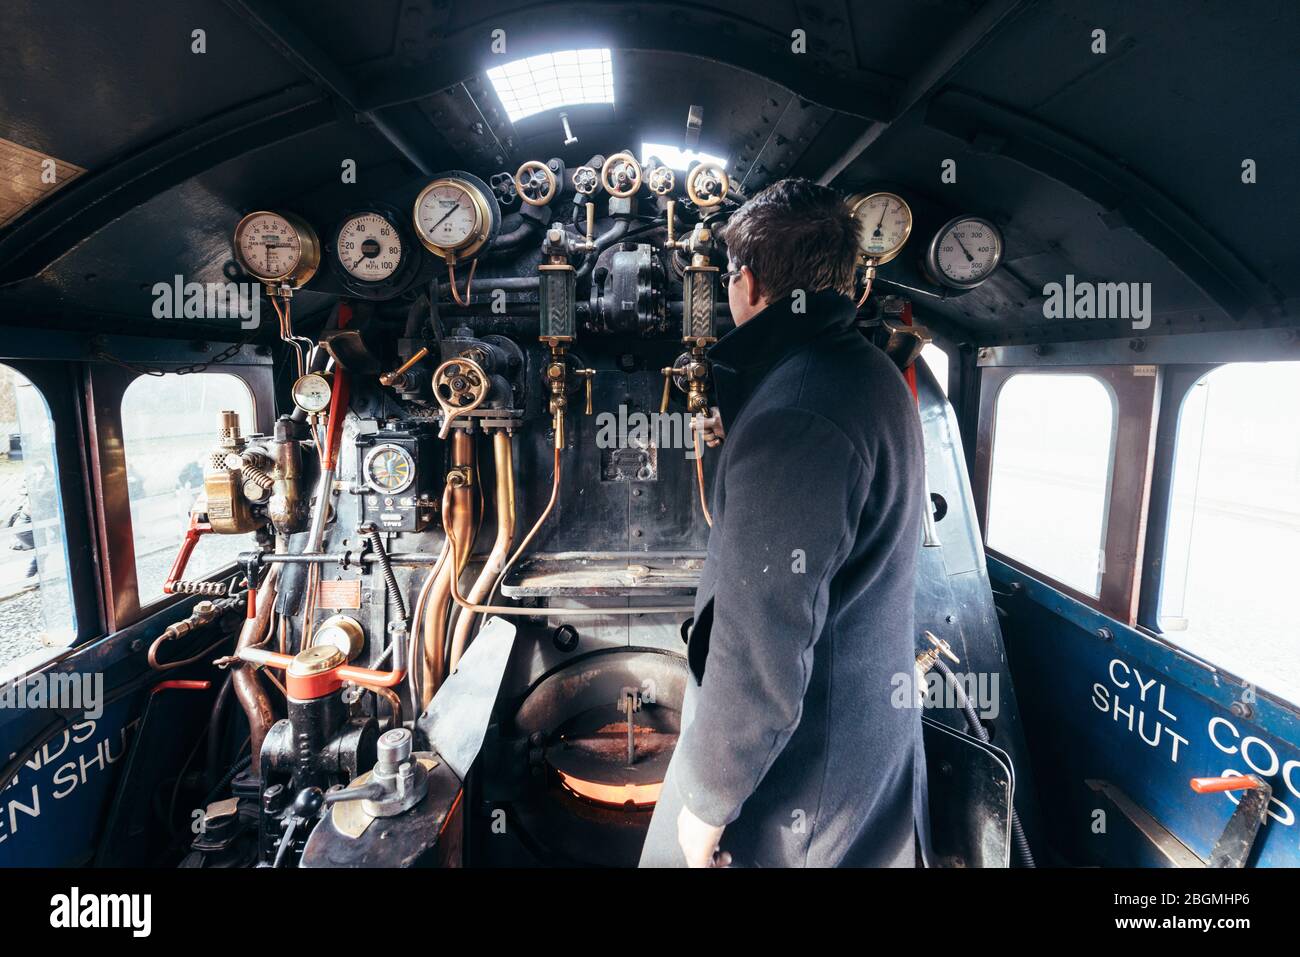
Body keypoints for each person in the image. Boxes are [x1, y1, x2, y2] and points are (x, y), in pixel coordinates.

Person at [639, 178, 929, 867]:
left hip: (800, 784)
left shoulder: (796, 418)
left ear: (744, 283)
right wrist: (746, 431)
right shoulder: (867, 374)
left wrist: (707, 805)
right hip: (860, 746)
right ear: (851, 284)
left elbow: (759, 643)